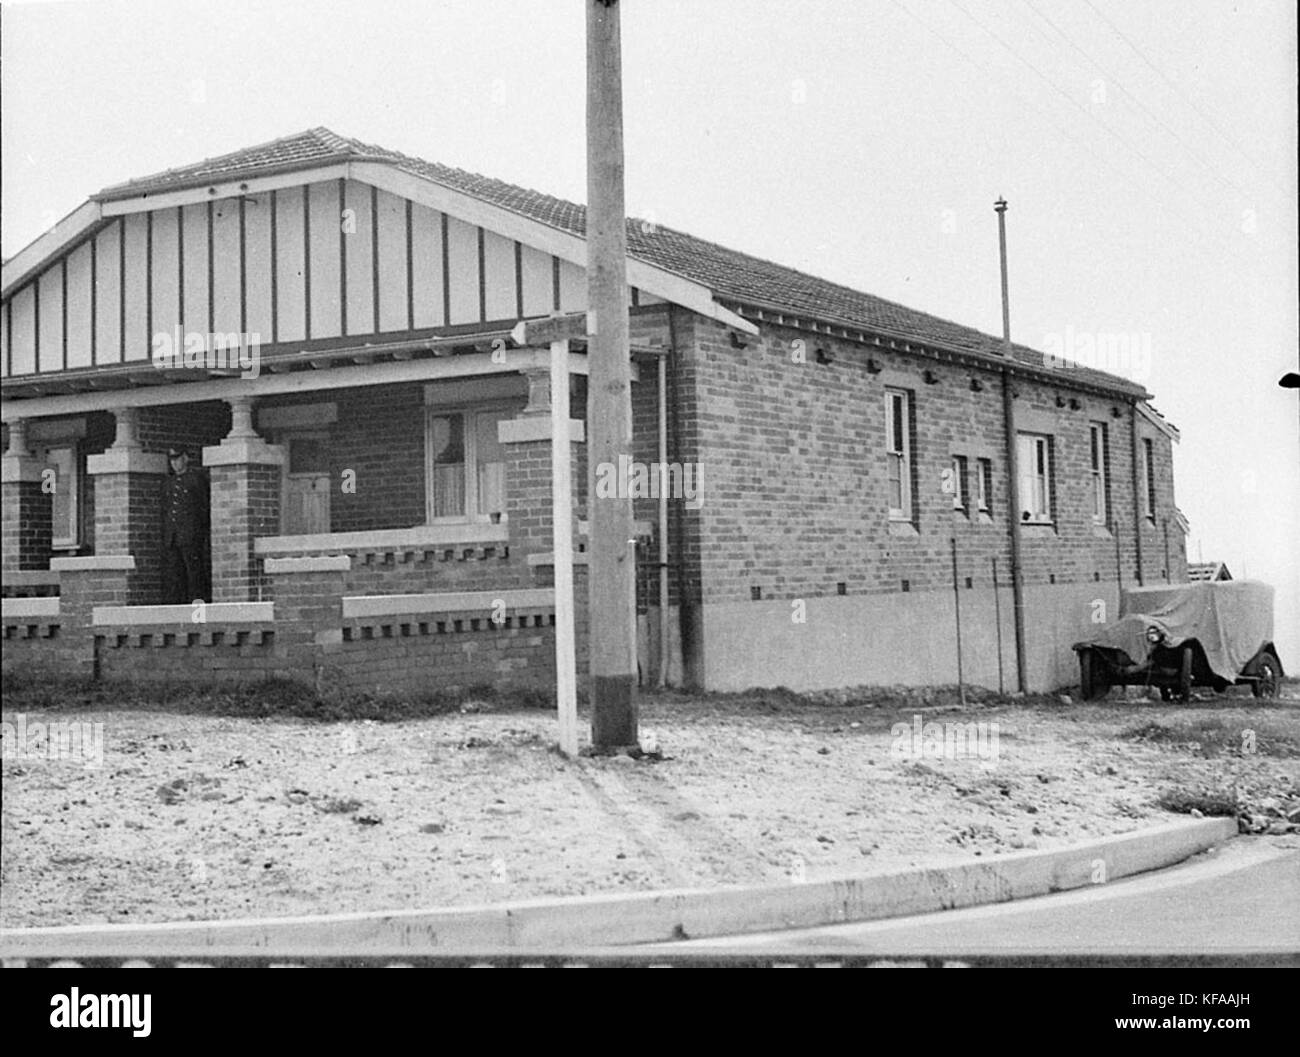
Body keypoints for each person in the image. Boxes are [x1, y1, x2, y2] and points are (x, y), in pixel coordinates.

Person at [161, 447, 210, 604]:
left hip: (191, 535)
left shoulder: (195, 479)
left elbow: (203, 507)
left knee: (194, 575)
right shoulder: (169, 483)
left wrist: (199, 532)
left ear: (186, 458)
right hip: (173, 537)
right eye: (172, 460)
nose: (175, 463)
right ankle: (178, 613)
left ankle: (198, 615)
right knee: (175, 576)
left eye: (178, 458)